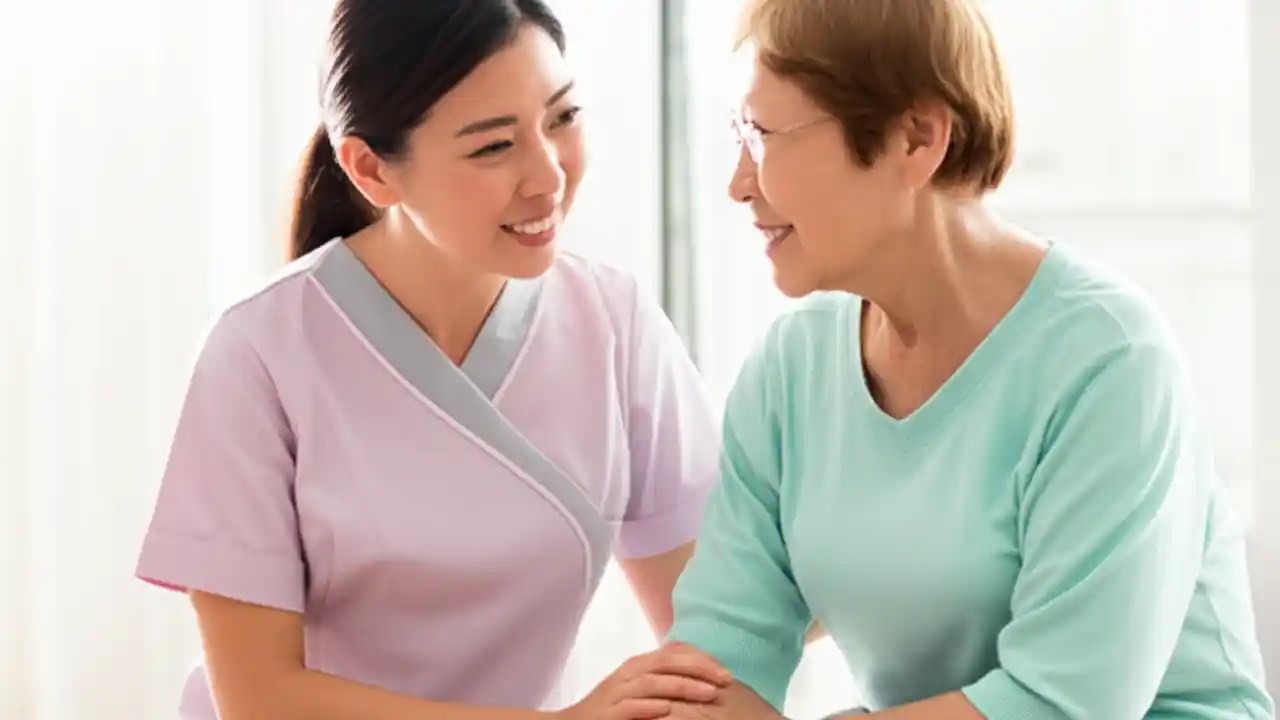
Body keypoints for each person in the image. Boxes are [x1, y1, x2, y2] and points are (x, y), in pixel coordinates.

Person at [659, 0, 1276, 718]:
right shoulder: (790, 369)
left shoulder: (1109, 362)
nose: (739, 182)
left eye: (764, 135)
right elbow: (706, 669)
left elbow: (1063, 705)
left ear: (916, 139)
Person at [134, 1, 733, 718]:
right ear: (371, 170)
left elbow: (714, 628)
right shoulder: (258, 352)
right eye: (492, 147)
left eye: (563, 118)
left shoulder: (614, 323)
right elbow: (260, 698)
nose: (548, 177)